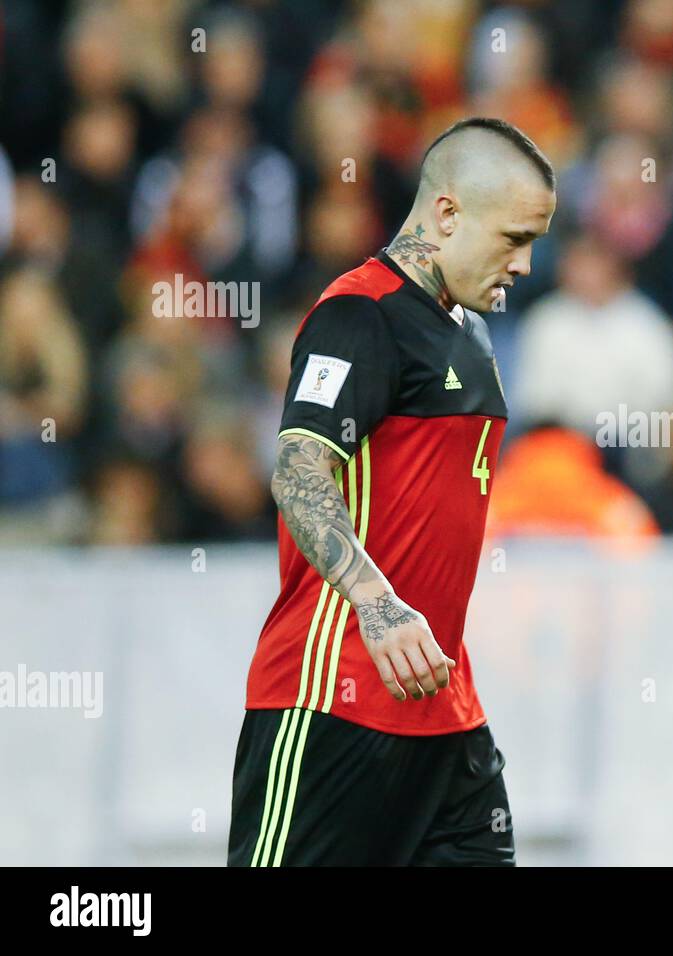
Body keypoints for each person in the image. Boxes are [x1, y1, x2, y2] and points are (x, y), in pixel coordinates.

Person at [227, 117, 556, 866]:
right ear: (447, 213)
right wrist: (377, 604)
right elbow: (298, 471)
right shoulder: (359, 314)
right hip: (331, 697)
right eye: (513, 239)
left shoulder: (468, 332)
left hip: (442, 708)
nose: (527, 265)